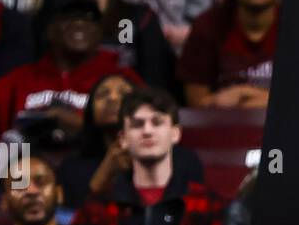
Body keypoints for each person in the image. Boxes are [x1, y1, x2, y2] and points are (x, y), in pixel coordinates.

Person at [74, 87, 226, 225]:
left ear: (175, 134)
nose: (147, 131)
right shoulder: (99, 207)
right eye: (137, 124)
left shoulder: (208, 204)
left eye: (157, 122)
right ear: (123, 139)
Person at [0, 0, 141, 140]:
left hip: (96, 166)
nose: (79, 23)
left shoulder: (120, 77)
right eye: (68, 17)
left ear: (100, 32)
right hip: (28, 166)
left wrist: (79, 123)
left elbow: (145, 126)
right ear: (50, 30)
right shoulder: (21, 78)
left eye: (89, 18)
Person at [57, 70, 203, 210]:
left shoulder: (183, 159)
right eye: (102, 94)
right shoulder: (72, 167)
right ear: (90, 111)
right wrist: (106, 171)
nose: (112, 98)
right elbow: (73, 222)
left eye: (123, 93)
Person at [177, 0, 281, 109]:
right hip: (220, 125)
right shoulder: (207, 26)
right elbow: (196, 103)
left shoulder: (297, 28)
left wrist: (243, 93)